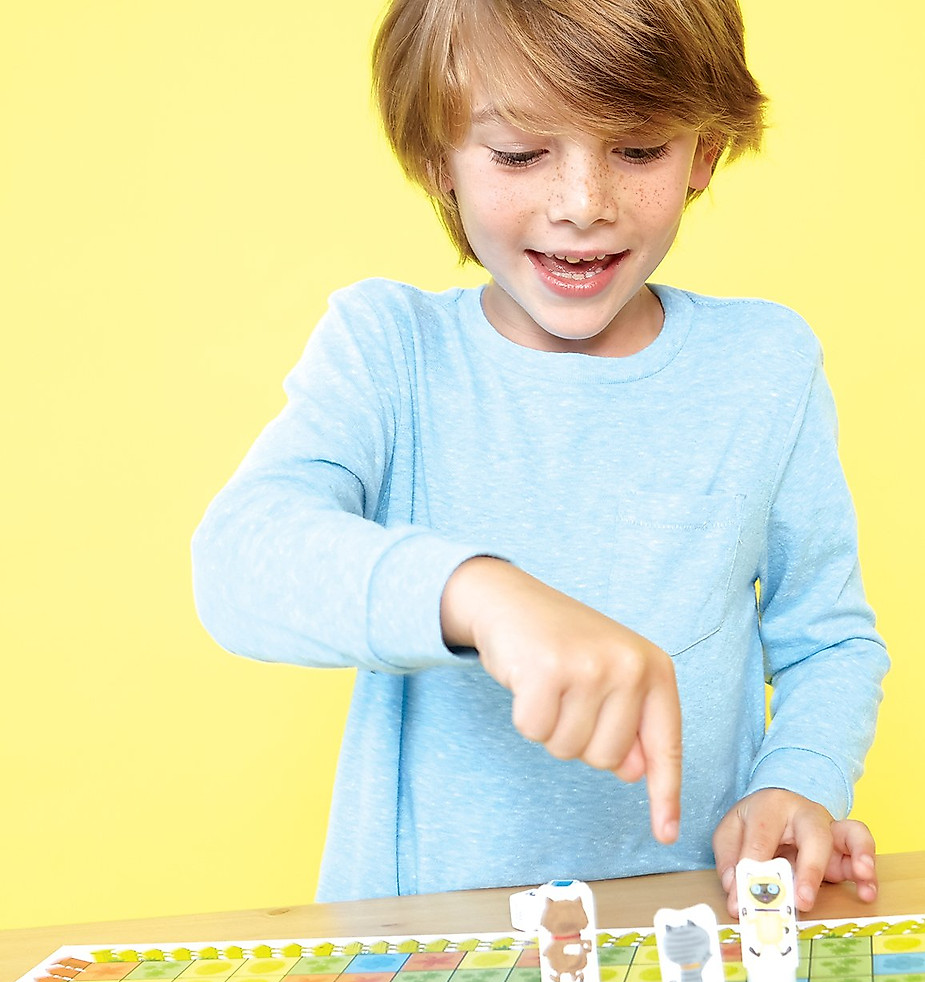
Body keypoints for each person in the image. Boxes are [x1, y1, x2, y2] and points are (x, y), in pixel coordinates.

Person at [192, 0, 889, 918]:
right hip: (425, 952)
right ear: (437, 159)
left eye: (638, 149)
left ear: (706, 151)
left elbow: (828, 641)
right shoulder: (389, 350)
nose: (582, 203)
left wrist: (797, 781)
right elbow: (238, 559)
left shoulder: (765, 366)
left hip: (688, 931)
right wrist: (482, 596)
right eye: (520, 153)